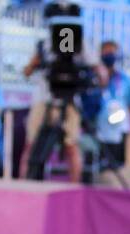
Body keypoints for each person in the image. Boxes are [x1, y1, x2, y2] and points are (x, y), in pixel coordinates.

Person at [20, 47, 83, 182]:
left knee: (71, 146)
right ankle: (24, 185)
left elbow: (97, 73)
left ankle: (75, 189)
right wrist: (36, 63)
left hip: (70, 100)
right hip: (43, 100)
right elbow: (27, 72)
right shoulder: (45, 46)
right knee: (31, 145)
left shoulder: (81, 45)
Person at [91, 40, 130, 169]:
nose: (109, 54)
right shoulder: (94, 77)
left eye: (112, 52)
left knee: (118, 165)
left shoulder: (125, 79)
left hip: (120, 128)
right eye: (106, 51)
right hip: (100, 127)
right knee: (100, 165)